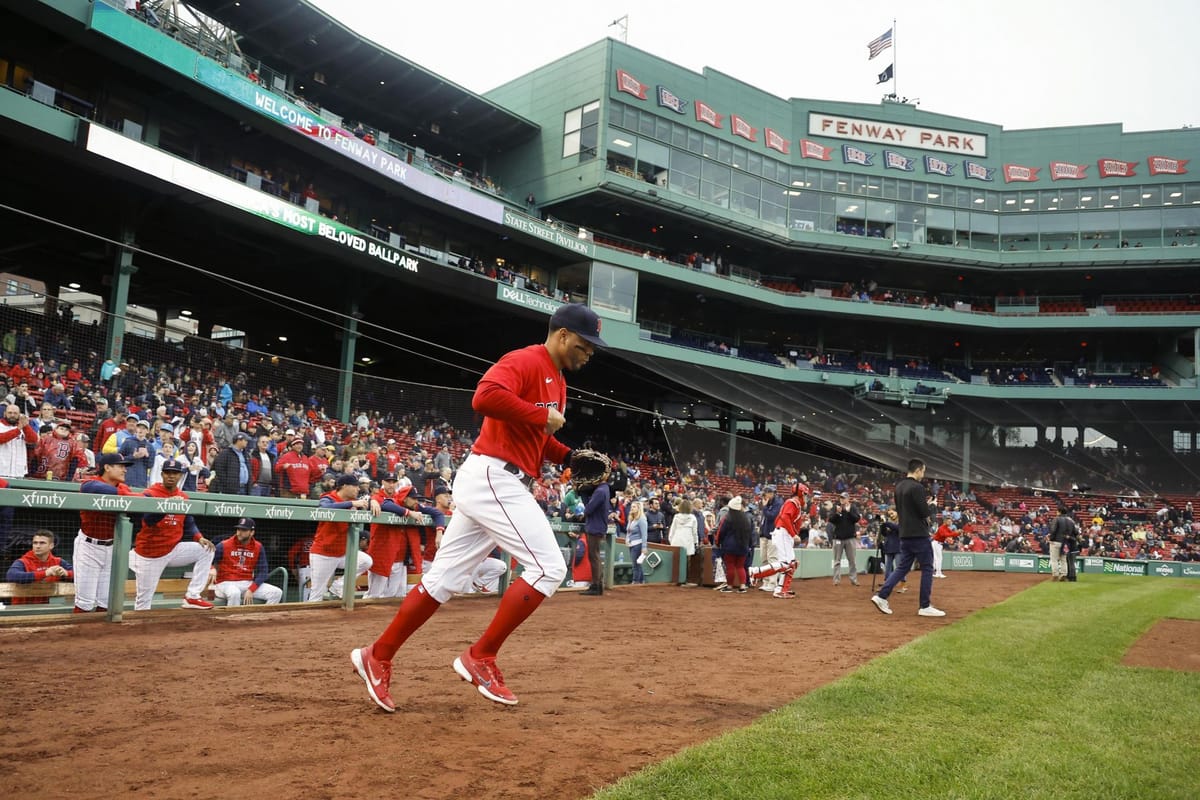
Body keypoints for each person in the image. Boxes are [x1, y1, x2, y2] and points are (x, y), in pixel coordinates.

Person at [349, 302, 604, 711]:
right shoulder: (525, 359)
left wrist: (568, 457)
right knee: (549, 567)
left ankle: (376, 655)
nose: (589, 352)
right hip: (493, 476)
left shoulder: (558, 380)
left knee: (442, 580)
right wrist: (540, 416)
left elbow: (534, 437)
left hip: (500, 478)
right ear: (561, 335)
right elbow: (484, 397)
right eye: (584, 343)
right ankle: (481, 656)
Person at [129, 458, 215, 610]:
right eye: (168, 472)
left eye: (175, 473)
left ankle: (192, 596)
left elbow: (188, 522)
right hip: (149, 555)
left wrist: (199, 537)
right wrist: (167, 506)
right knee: (143, 603)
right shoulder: (150, 494)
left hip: (172, 550)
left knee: (206, 550)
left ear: (181, 476)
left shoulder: (183, 497)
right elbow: (148, 520)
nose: (171, 476)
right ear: (162, 474)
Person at [871, 459, 945, 617]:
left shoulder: (899, 486)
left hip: (904, 534)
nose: (923, 475)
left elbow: (901, 510)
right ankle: (925, 605)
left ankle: (881, 596)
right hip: (919, 533)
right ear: (918, 470)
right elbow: (924, 512)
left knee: (902, 568)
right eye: (923, 471)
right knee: (927, 568)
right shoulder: (917, 487)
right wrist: (932, 505)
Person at [74, 453, 136, 613]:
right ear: (107, 467)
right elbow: (95, 489)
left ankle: (102, 636)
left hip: (112, 548)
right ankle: (76, 635)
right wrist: (128, 496)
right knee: (85, 602)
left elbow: (140, 499)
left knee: (106, 601)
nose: (125, 470)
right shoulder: (90, 483)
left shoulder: (123, 488)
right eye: (120, 466)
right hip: (89, 547)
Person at [306, 474, 374, 601]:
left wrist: (373, 501)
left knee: (366, 561)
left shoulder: (356, 501)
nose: (358, 489)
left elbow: (374, 501)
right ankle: (310, 619)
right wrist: (352, 503)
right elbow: (324, 507)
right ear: (344, 486)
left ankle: (339, 586)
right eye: (355, 486)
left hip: (343, 553)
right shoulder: (329, 497)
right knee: (317, 594)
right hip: (323, 554)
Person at [364, 475, 426, 599]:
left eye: (394, 482)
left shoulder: (399, 500)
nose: (391, 484)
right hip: (381, 551)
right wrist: (373, 501)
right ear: (383, 482)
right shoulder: (378, 497)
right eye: (388, 481)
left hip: (398, 555)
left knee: (393, 596)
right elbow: (384, 504)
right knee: (374, 595)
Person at [750, 482, 808, 598]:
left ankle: (781, 589)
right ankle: (755, 572)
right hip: (783, 533)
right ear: (801, 493)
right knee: (786, 564)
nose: (806, 497)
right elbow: (784, 517)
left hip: (783, 533)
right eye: (805, 494)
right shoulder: (793, 502)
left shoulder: (794, 503)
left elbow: (780, 518)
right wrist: (793, 534)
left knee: (792, 564)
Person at [208, 517, 283, 606]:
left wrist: (251, 589)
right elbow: (208, 559)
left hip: (247, 583)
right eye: (238, 529)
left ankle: (262, 618)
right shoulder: (224, 545)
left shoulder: (258, 547)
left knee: (276, 592)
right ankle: (233, 619)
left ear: (252, 532)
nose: (239, 532)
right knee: (234, 593)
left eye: (244, 530)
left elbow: (263, 571)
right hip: (225, 583)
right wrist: (212, 568)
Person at [6, 529, 73, 605]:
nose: (37, 546)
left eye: (42, 543)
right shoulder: (23, 561)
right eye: (35, 543)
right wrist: (45, 573)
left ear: (51, 545)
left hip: (45, 608)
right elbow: (11, 576)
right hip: (21, 608)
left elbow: (79, 574)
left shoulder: (58, 562)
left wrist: (67, 573)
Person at [580, 460, 613, 596]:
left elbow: (588, 509)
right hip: (599, 525)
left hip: (595, 526)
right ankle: (597, 585)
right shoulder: (604, 489)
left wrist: (584, 495)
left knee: (594, 556)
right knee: (596, 556)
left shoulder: (600, 491)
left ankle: (596, 586)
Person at [716, 496, 752, 593]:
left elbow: (721, 531)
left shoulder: (727, 518)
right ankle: (742, 586)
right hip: (743, 546)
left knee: (730, 566)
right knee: (740, 566)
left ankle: (729, 586)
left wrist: (718, 542)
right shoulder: (746, 519)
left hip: (730, 546)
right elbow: (750, 534)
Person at [829, 494, 861, 586]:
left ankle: (854, 580)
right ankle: (836, 580)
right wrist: (837, 513)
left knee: (852, 561)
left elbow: (856, 519)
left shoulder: (853, 507)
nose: (842, 499)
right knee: (837, 561)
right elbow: (831, 520)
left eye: (844, 498)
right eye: (841, 498)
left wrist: (848, 512)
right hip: (838, 538)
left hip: (850, 537)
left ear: (848, 499)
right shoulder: (836, 507)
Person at [0, 403, 37, 479]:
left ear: (19, 415)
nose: (12, 415)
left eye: (15, 413)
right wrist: (18, 430)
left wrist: (26, 426)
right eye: (10, 413)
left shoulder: (23, 427)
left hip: (18, 470)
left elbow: (33, 440)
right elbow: (1, 439)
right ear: (4, 414)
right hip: (2, 469)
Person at [879, 509, 907, 593]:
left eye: (892, 513)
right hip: (889, 547)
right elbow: (884, 533)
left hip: (899, 547)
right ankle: (887, 584)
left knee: (899, 567)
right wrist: (882, 525)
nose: (891, 515)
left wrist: (886, 523)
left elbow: (897, 528)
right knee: (888, 567)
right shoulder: (888, 522)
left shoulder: (902, 521)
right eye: (889, 514)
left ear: (897, 512)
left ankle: (903, 585)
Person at [1047, 507, 1076, 582]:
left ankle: (1055, 575)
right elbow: (1076, 532)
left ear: (1059, 512)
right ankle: (1063, 574)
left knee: (1054, 559)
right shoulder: (1071, 521)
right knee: (1063, 559)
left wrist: (1051, 539)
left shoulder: (1056, 519)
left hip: (1056, 541)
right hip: (1066, 542)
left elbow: (1053, 530)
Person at [624, 500, 647, 584]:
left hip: (638, 544)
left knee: (635, 564)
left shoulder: (642, 520)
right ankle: (641, 581)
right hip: (631, 544)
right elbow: (628, 531)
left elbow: (644, 534)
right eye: (631, 507)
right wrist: (626, 539)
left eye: (634, 507)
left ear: (639, 508)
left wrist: (644, 547)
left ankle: (636, 581)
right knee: (636, 564)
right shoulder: (631, 519)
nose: (632, 508)